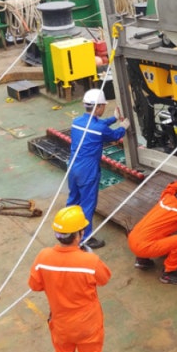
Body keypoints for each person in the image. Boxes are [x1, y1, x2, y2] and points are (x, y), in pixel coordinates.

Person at [28, 205, 112, 352]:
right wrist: (89, 255)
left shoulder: (43, 257)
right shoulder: (89, 261)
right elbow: (104, 278)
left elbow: (35, 285)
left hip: (61, 325)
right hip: (88, 326)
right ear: (79, 235)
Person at [66, 88, 129, 249]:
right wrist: (123, 127)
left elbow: (97, 125)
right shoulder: (99, 128)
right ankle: (85, 238)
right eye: (103, 106)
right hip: (87, 170)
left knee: (73, 199)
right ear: (98, 107)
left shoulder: (76, 122)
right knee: (87, 204)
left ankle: (68, 229)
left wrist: (113, 119)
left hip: (73, 166)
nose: (104, 108)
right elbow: (114, 135)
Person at [127, 180, 177, 284]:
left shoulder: (166, 197)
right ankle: (169, 273)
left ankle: (142, 260)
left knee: (155, 231)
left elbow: (170, 187)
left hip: (132, 238)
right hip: (143, 247)